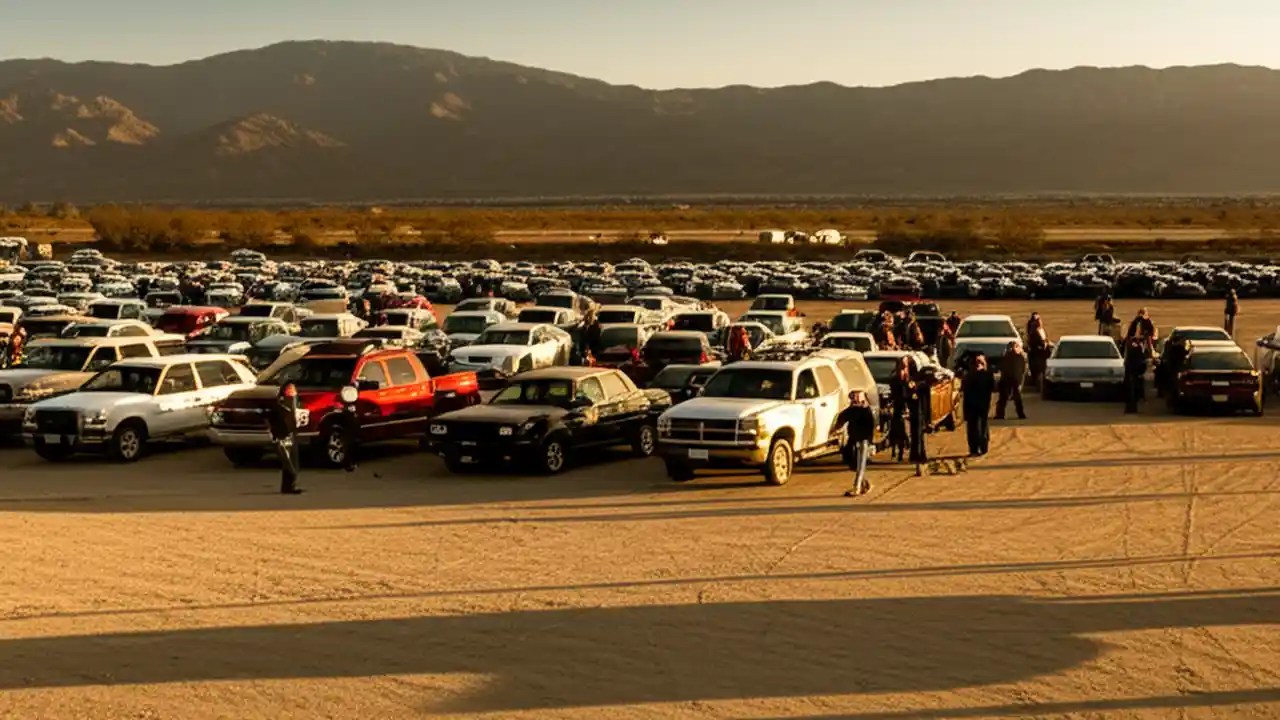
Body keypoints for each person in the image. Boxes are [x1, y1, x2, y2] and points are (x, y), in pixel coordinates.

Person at [833, 390, 877, 497]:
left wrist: (871, 442)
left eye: (858, 396)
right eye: (854, 397)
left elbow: (871, 426)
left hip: (864, 441)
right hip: (853, 440)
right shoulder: (852, 410)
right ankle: (865, 484)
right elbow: (842, 418)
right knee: (855, 464)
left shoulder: (866, 410)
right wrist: (835, 429)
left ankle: (857, 488)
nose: (856, 399)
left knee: (861, 465)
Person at [267, 383, 303, 494]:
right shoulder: (280, 406)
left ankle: (289, 486)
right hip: (282, 437)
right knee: (288, 464)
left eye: (294, 390)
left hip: (292, 435)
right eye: (289, 390)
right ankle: (288, 486)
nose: (292, 392)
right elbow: (272, 421)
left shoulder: (296, 404)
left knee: (293, 462)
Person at [962, 354, 995, 457]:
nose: (978, 364)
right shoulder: (973, 375)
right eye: (977, 362)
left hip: (979, 404)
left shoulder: (972, 375)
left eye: (980, 362)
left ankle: (978, 448)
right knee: (976, 426)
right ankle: (977, 448)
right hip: (975, 404)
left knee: (979, 426)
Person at [887, 357, 913, 462]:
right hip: (898, 408)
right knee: (897, 430)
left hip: (903, 408)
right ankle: (895, 450)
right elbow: (894, 393)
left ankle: (901, 451)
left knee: (902, 431)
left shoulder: (906, 379)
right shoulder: (896, 379)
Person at [995, 340, 1028, 420]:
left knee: (1008, 398)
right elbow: (1023, 370)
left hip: (1011, 380)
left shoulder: (1009, 357)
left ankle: (1001, 414)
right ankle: (1019, 414)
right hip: (1010, 380)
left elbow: (1022, 370)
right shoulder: (1019, 357)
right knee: (1008, 398)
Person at [1123, 336, 1151, 414]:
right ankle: (1132, 407)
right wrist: (1140, 373)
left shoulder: (1131, 350)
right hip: (1135, 374)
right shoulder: (1137, 350)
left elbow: (1128, 363)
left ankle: (1130, 408)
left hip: (1131, 374)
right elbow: (1142, 363)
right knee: (1135, 392)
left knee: (1131, 392)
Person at [1025, 312, 1049, 389]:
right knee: (1038, 369)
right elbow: (1036, 342)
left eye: (1039, 319)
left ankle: (1037, 382)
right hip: (1037, 353)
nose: (1039, 321)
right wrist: (1043, 344)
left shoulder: (1039, 330)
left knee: (1038, 369)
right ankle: (1037, 384)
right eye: (1037, 319)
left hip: (1037, 352)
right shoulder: (1034, 331)